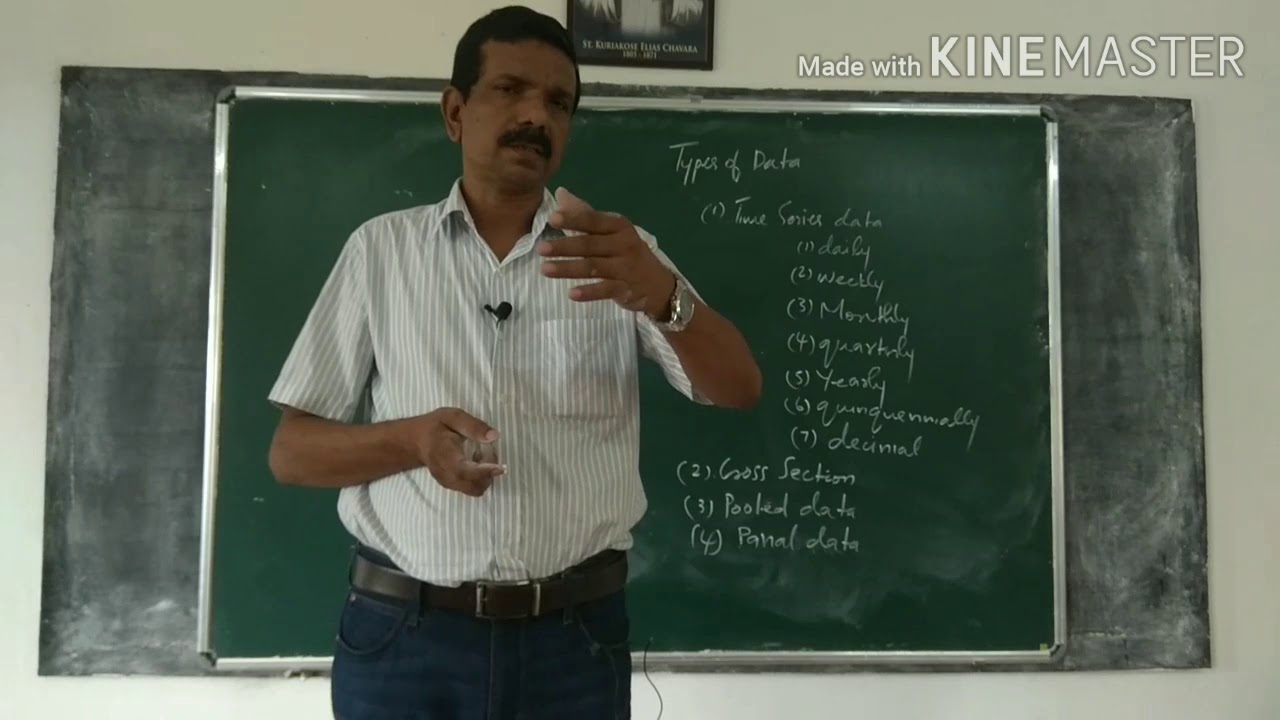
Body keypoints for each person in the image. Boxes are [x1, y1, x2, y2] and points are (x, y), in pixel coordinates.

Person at [265, 5, 761, 719]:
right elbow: (292, 454)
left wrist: (665, 296)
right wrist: (412, 441)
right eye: (510, 90)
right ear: (455, 112)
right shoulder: (380, 253)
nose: (536, 116)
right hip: (404, 638)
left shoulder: (618, 255)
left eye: (559, 103)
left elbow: (738, 387)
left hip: (574, 642)